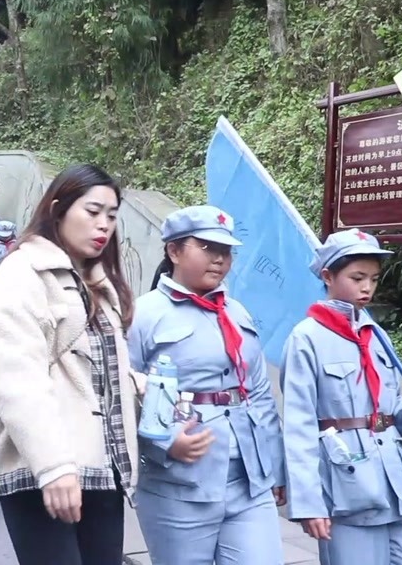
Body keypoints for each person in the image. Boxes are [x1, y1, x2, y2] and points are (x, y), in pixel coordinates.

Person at [0, 163, 138, 565]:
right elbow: (16, 379)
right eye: (93, 211)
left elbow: (99, 371)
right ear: (58, 209)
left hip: (103, 468)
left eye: (112, 215)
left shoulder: (100, 283)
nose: (104, 224)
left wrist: (148, 390)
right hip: (42, 471)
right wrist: (52, 467)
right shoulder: (22, 274)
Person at [126, 205, 286, 565]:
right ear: (174, 251)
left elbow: (258, 392)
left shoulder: (237, 312)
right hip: (179, 483)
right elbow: (119, 395)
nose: (219, 259)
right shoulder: (142, 315)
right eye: (208, 248)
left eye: (226, 251)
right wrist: (164, 443)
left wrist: (273, 465)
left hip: (247, 479)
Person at [281, 229, 402, 565]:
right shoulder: (306, 339)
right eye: (357, 277)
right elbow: (298, 427)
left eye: (373, 278)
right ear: (328, 276)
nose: (367, 287)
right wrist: (310, 503)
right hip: (350, 488)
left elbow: (388, 406)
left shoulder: (375, 334)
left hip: (397, 484)